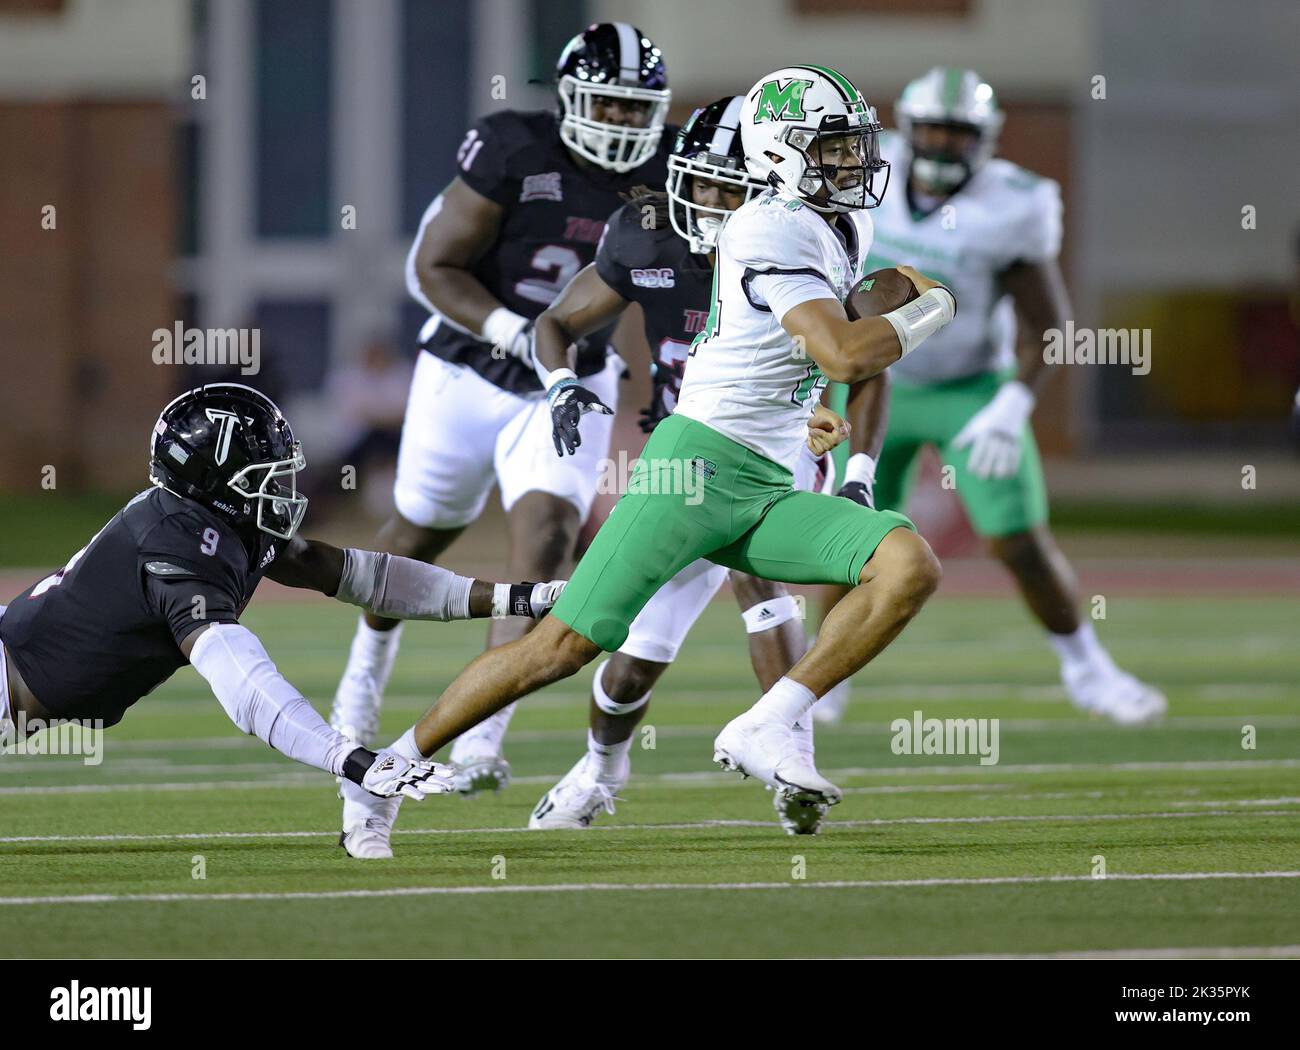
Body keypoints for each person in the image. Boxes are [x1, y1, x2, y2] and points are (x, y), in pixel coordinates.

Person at [341, 65, 959, 857]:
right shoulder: (769, 227)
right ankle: (385, 771)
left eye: (853, 146)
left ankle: (766, 726)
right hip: (695, 469)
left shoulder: (837, 223)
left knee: (907, 565)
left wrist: (843, 413)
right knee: (560, 648)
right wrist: (934, 306)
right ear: (780, 154)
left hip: (767, 484)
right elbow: (844, 353)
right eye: (833, 146)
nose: (853, 163)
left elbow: (848, 350)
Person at [0, 384, 565, 860]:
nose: (282, 485)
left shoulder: (217, 525)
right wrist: (350, 759)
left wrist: (518, 598)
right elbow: (245, 686)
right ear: (211, 478)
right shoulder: (178, 548)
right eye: (262, 472)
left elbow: (369, 577)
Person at [329, 24, 675, 795]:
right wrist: (514, 331)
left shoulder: (669, 167)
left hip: (575, 377)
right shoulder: (513, 147)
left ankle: (482, 738)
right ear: (571, 99)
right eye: (608, 106)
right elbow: (432, 264)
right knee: (418, 536)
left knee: (548, 542)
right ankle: (361, 683)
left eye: (634, 109)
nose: (622, 123)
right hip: (467, 366)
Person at [524, 96, 884, 836]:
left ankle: (789, 759)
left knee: (764, 588)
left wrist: (859, 469)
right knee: (633, 656)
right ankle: (600, 768)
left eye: (731, 187)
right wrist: (561, 383)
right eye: (703, 184)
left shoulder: (797, 242)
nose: (713, 203)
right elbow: (556, 320)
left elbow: (869, 360)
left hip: (778, 445)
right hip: (682, 453)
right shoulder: (648, 238)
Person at [815, 67, 1164, 725]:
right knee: (842, 538)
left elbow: (1050, 327)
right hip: (867, 380)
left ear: (986, 139)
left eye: (960, 133)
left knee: (1018, 542)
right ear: (908, 131)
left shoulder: (1014, 204)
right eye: (935, 130)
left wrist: (1012, 406)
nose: (945, 145)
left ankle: (1088, 669)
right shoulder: (863, 173)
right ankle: (823, 676)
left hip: (968, 386)